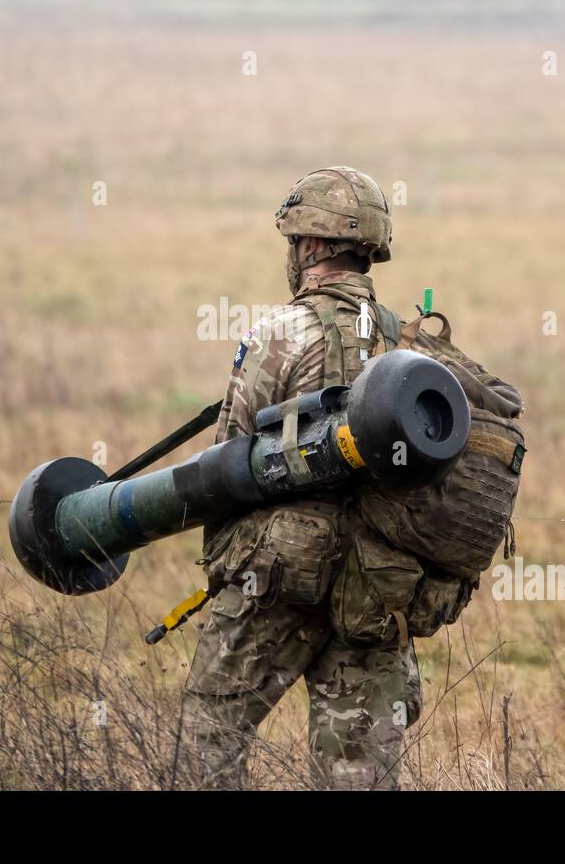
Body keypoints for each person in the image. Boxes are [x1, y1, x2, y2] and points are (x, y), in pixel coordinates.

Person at [179, 166, 419, 790]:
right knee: (359, 771)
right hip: (375, 588)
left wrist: (225, 567)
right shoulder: (414, 348)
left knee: (209, 734)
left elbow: (226, 464)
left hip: (278, 581)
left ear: (309, 246)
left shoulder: (278, 334)